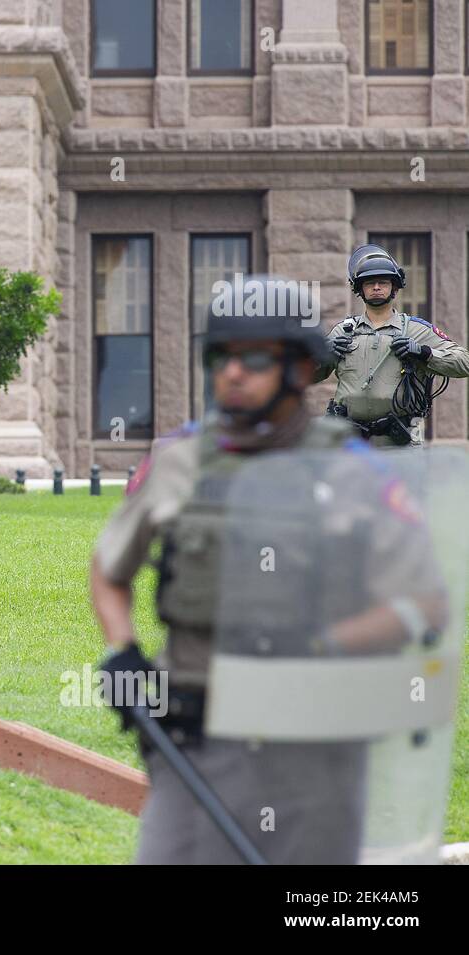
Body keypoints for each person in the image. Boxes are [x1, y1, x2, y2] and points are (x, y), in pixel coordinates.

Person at [89, 277, 455, 864]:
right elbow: (109, 569)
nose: (233, 373)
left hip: (317, 739)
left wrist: (326, 643)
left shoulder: (355, 472)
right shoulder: (181, 460)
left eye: (254, 358)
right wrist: (122, 653)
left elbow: (426, 602)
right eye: (221, 358)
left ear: (299, 368)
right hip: (196, 732)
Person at [315, 244, 469, 445]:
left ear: (394, 287)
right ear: (360, 289)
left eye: (383, 282)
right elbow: (304, 376)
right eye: (369, 283)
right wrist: (323, 356)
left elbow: (464, 362)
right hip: (349, 443)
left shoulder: (416, 330)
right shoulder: (344, 331)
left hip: (399, 441)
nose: (376, 287)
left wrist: (424, 353)